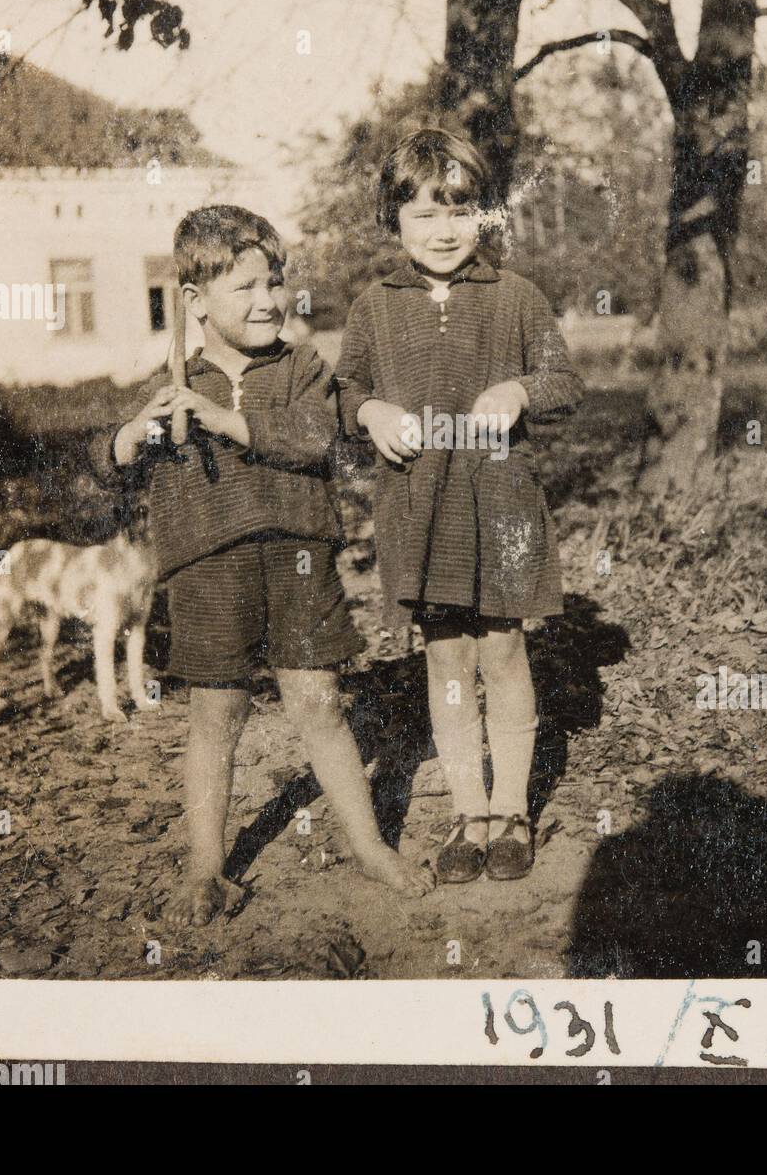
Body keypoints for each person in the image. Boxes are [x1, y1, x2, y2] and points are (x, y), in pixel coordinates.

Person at [92, 205, 434, 925]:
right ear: (194, 302)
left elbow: (313, 437)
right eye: (245, 287)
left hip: (297, 557)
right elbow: (109, 460)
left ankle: (369, 846)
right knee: (217, 713)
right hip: (207, 570)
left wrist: (226, 423)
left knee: (319, 703)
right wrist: (132, 434)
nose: (268, 300)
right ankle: (206, 868)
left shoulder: (302, 365)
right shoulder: (172, 382)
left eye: (273, 282)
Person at [335, 130, 584, 884]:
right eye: (423, 215)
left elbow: (564, 381)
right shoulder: (373, 308)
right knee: (445, 656)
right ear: (393, 220)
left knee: (503, 649)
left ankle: (512, 809)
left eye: (460, 210)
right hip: (420, 507)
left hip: (500, 504)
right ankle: (468, 814)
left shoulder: (515, 297)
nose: (444, 231)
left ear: (483, 215)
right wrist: (372, 412)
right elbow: (343, 390)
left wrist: (518, 390)